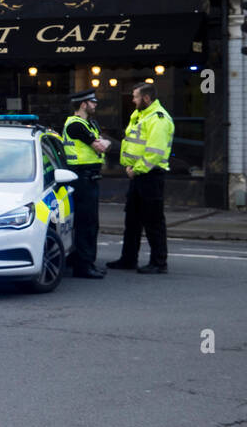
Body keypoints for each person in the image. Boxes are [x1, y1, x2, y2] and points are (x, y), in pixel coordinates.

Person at [108, 82, 175, 274]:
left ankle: (159, 262)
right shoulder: (140, 115)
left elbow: (154, 152)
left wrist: (135, 170)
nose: (133, 100)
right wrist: (130, 167)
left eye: (135, 96)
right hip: (138, 175)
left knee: (153, 221)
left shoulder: (158, 119)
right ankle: (128, 259)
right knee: (132, 220)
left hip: (150, 175)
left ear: (146, 98)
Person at [62, 88, 113, 279]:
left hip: (88, 178)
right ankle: (83, 266)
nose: (95, 105)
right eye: (92, 102)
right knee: (86, 223)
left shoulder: (88, 124)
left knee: (90, 223)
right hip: (82, 178)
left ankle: (86, 262)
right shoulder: (76, 125)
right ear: (83, 104)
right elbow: (101, 145)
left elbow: (101, 142)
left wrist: (103, 142)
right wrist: (104, 144)